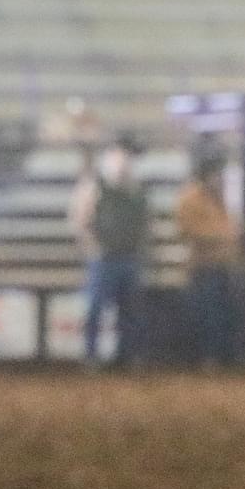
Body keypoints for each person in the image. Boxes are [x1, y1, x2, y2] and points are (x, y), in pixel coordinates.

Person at [67, 137, 147, 367]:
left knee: (129, 310)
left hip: (128, 255)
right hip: (104, 257)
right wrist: (93, 248)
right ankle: (91, 354)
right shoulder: (95, 185)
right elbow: (80, 219)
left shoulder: (135, 187)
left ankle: (127, 355)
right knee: (96, 307)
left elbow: (143, 222)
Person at [175, 151, 241, 367]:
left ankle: (221, 355)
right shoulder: (190, 198)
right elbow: (189, 230)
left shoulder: (219, 198)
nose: (219, 178)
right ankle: (207, 356)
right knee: (206, 312)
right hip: (202, 265)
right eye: (216, 173)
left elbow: (230, 227)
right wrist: (221, 237)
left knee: (223, 311)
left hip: (223, 264)